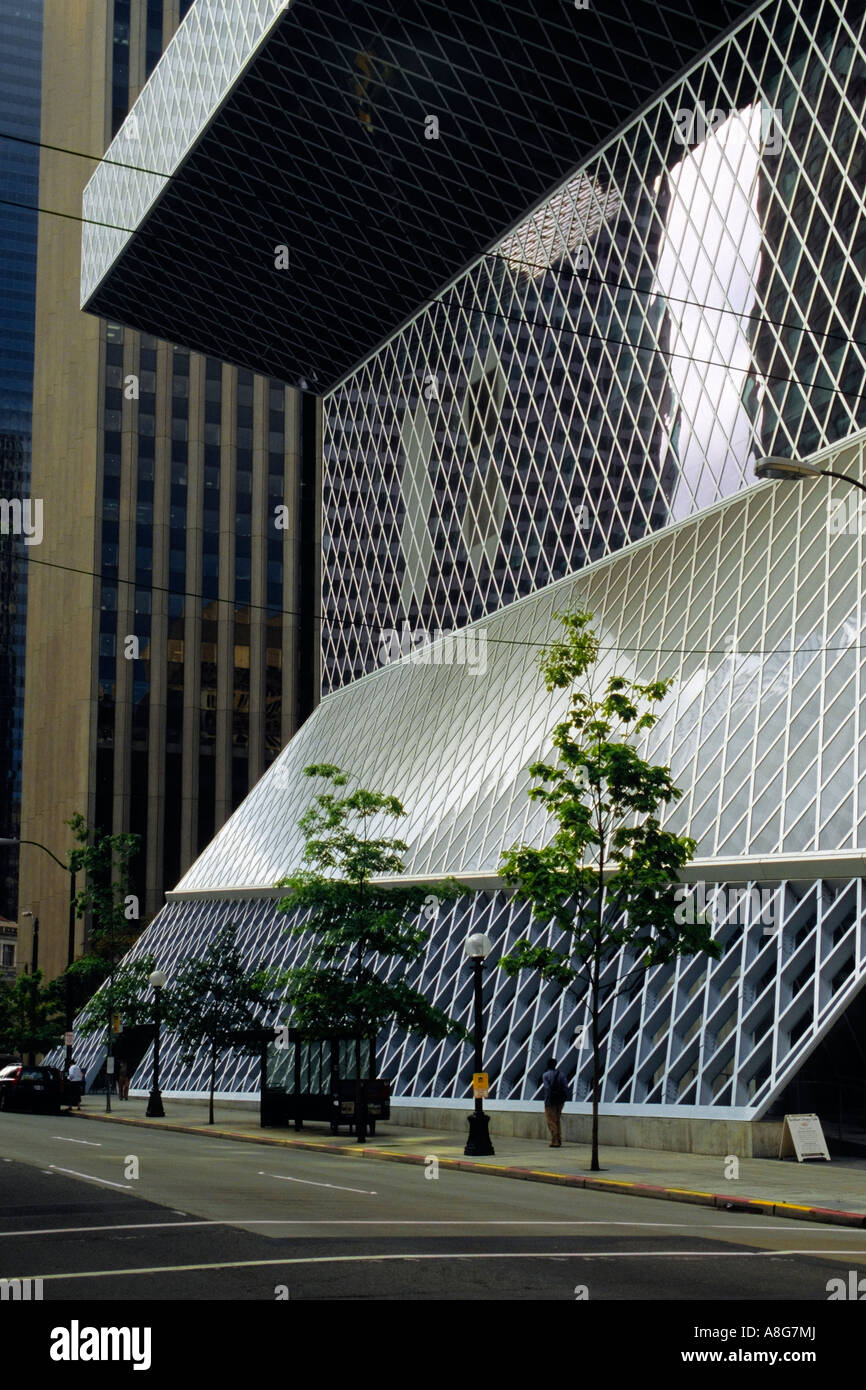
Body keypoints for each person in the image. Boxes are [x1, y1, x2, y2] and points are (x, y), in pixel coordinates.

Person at [541, 1056, 568, 1147]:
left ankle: (555, 1141)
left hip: (550, 1101)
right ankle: (559, 1139)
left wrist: (548, 1100)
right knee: (557, 1120)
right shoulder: (562, 1074)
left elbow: (547, 1088)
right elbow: (565, 1088)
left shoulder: (545, 1075)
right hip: (560, 1101)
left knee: (551, 1121)